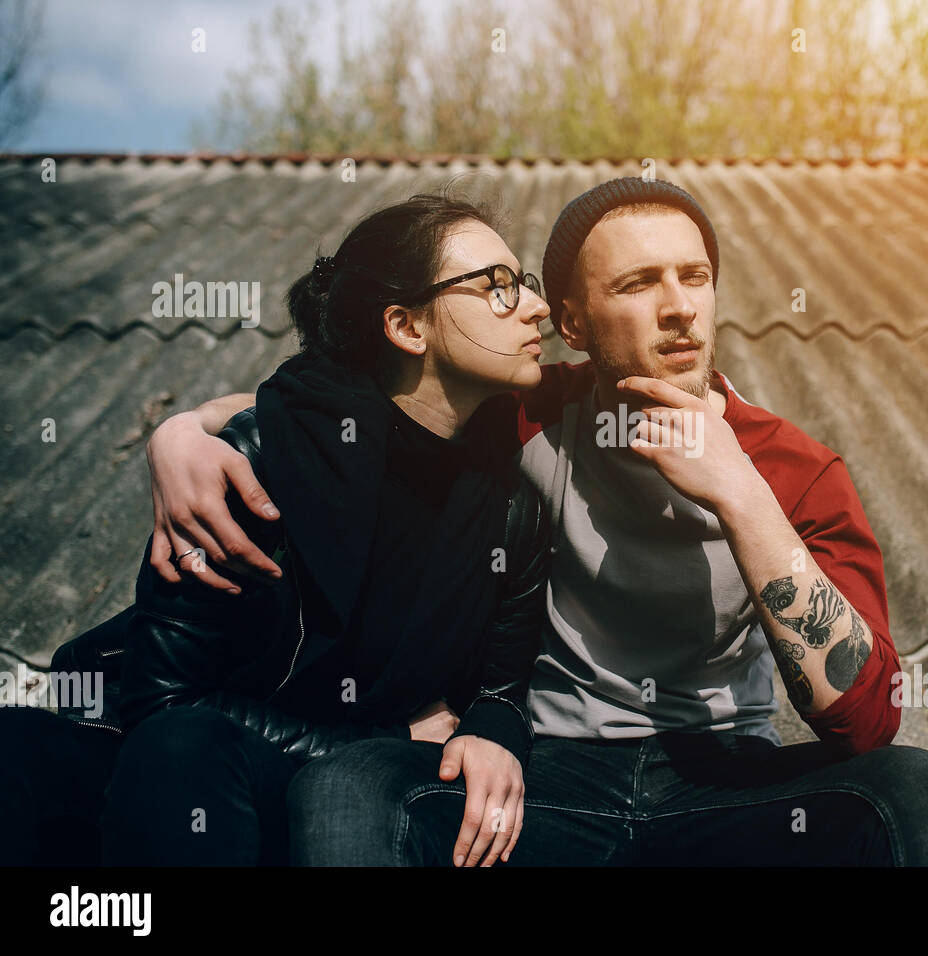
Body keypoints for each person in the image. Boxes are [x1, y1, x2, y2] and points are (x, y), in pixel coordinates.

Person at [142, 177, 928, 866]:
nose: (678, 308)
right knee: (354, 784)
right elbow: (366, 409)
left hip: (723, 778)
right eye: (637, 284)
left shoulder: (794, 467)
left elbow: (865, 720)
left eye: (693, 277)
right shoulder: (522, 413)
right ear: (574, 322)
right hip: (546, 778)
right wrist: (185, 431)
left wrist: (740, 493)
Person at [0, 192, 552, 867]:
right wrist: (388, 738)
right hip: (178, 778)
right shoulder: (258, 462)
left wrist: (491, 731)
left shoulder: (513, 507)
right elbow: (165, 705)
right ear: (408, 327)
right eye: (496, 286)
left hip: (344, 796)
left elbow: (502, 686)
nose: (535, 305)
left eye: (523, 282)